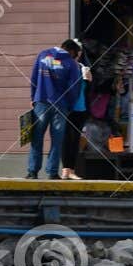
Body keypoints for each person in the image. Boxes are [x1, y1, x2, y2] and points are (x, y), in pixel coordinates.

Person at [26, 40, 80, 180]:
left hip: (41, 101)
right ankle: (52, 172)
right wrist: (71, 105)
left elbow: (33, 78)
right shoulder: (71, 63)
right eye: (76, 55)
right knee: (57, 140)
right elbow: (74, 88)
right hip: (61, 105)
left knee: (36, 138)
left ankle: (32, 172)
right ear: (72, 51)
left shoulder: (42, 55)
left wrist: (33, 97)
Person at [58, 38, 91, 181]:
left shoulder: (83, 67)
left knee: (75, 139)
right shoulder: (62, 67)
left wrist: (89, 80)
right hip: (67, 108)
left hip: (81, 109)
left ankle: (71, 170)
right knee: (67, 139)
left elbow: (87, 90)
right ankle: (66, 170)